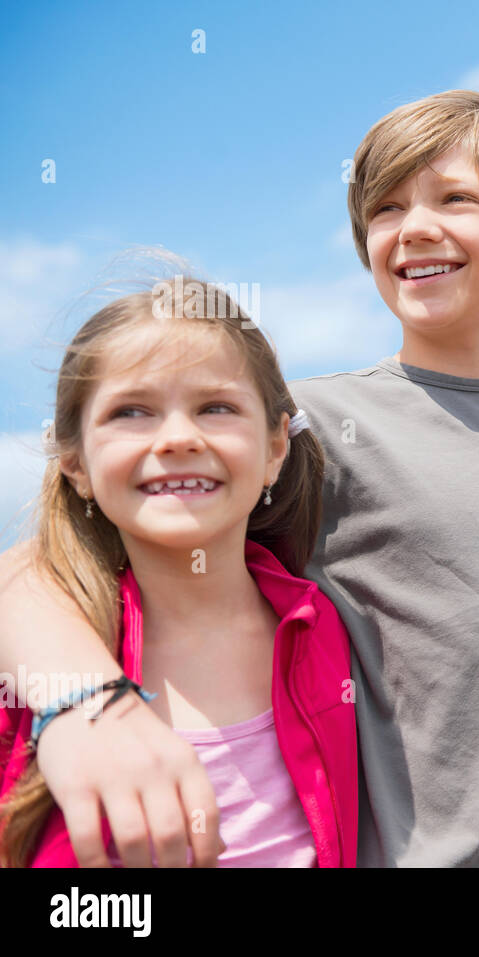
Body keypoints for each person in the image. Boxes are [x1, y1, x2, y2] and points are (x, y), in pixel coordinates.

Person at [2, 88, 479, 867]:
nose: (415, 228)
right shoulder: (306, 428)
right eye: (387, 208)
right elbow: (48, 563)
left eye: (455, 199)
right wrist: (84, 704)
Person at [0, 278, 357, 866]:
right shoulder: (35, 665)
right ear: (75, 464)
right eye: (130, 412)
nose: (178, 438)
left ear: (275, 450)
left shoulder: (336, 632)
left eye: (216, 407)